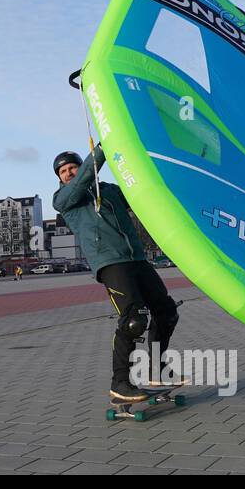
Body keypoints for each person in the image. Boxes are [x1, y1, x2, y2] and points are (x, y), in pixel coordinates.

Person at [52, 147, 181, 404]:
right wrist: (104, 147)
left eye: (72, 167)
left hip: (136, 257)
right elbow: (83, 179)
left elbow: (142, 197)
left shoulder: (109, 190)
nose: (68, 173)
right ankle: (120, 383)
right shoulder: (64, 198)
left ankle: (156, 369)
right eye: (63, 171)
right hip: (110, 262)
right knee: (133, 320)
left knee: (166, 311)